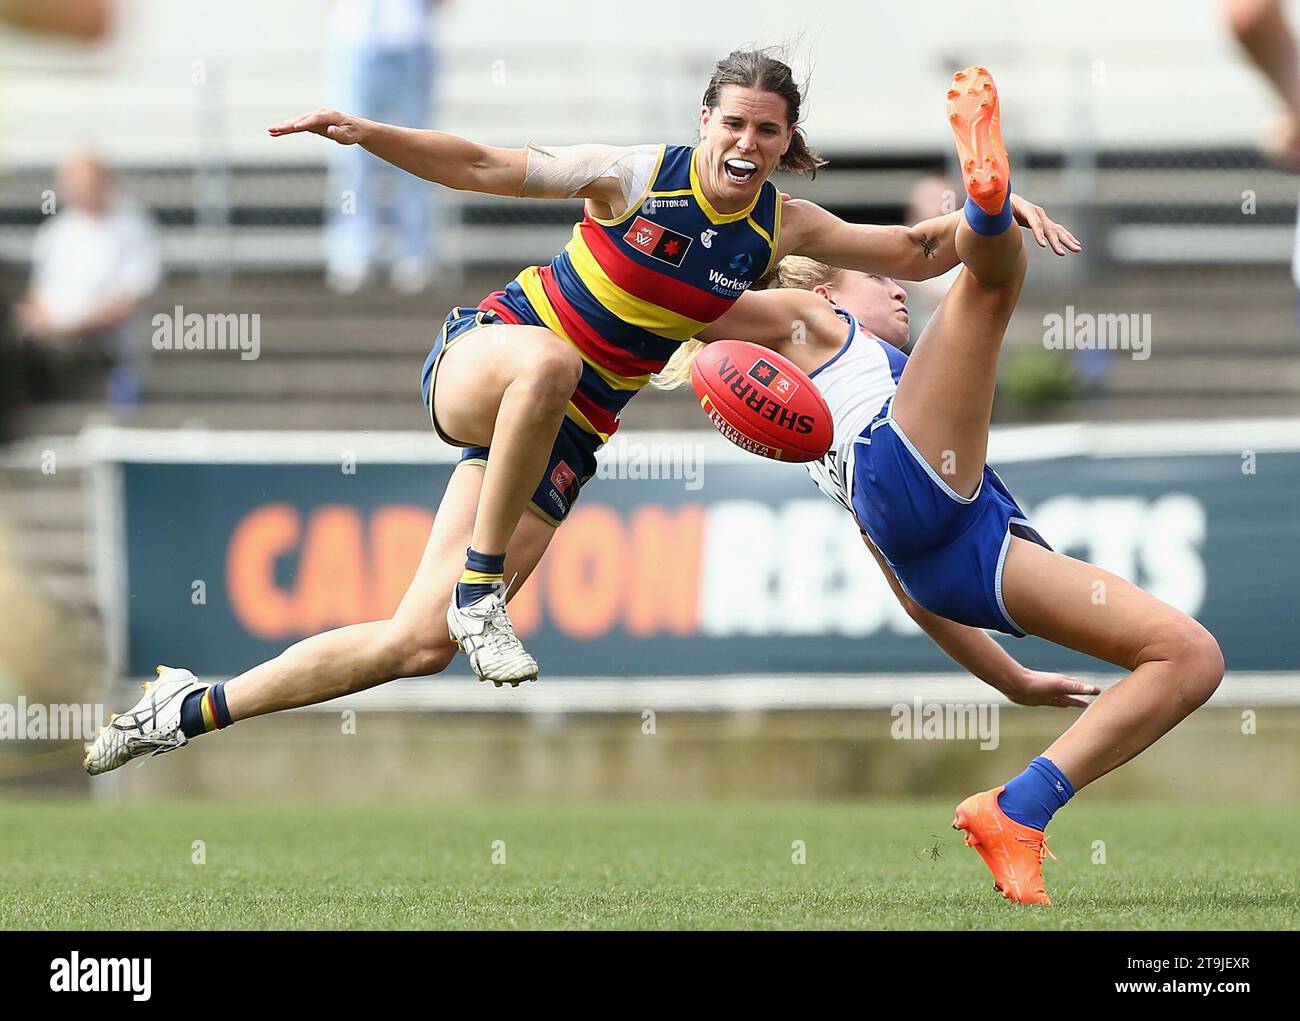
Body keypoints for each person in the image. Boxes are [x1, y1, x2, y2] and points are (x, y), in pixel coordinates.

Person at [84, 50, 1074, 779]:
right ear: (706, 121)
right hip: (489, 356)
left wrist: (992, 215)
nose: (746, 142)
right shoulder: (635, 173)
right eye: (733, 122)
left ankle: (187, 704)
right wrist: (368, 133)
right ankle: (483, 593)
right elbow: (480, 165)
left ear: (784, 143)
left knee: (412, 643)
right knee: (550, 363)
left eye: (767, 130)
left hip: (563, 429)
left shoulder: (781, 226)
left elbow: (906, 249)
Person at [666, 68, 1221, 904]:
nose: (894, 289)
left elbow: (906, 579)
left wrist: (1009, 679)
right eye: (875, 281)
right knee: (989, 280)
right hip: (916, 479)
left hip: (952, 546)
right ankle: (989, 197)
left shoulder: (855, 390)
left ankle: (1018, 808)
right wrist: (644, 225)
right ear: (822, 286)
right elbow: (685, 302)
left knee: (1187, 657)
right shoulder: (810, 320)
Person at [14, 149, 160, 406]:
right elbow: (37, 293)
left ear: (106, 181)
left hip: (103, 347)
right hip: (54, 341)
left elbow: (131, 300)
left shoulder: (132, 227)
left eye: (88, 182)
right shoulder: (56, 231)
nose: (81, 189)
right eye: (74, 182)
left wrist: (72, 326)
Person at [323, 0, 443, 295]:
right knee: (351, 157)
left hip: (411, 43)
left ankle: (417, 253)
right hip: (356, 42)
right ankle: (352, 252)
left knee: (417, 151)